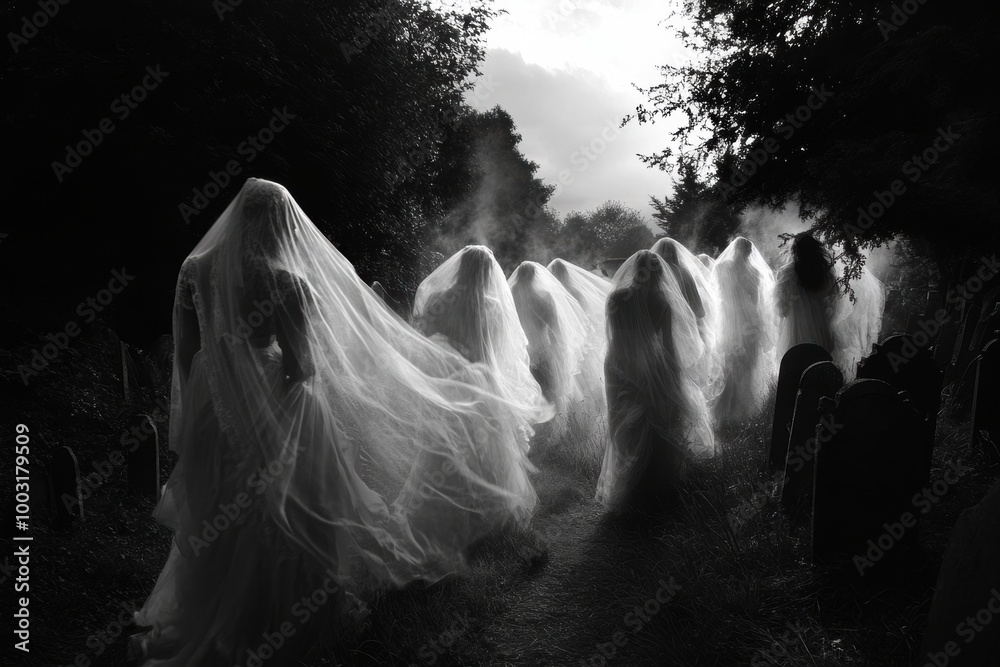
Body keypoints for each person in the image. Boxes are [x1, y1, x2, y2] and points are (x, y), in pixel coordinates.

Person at [132, 180, 540, 666]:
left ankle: (211, 616)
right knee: (292, 511)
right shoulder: (288, 284)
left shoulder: (196, 271)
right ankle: (282, 622)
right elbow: (300, 366)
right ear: (285, 225)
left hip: (211, 405)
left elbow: (185, 351)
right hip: (280, 406)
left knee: (220, 510)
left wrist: (201, 402)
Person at [596, 251, 714, 513]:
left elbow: (613, 336)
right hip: (652, 365)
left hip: (618, 365)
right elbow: (669, 347)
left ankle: (628, 487)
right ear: (659, 274)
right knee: (655, 421)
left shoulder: (617, 297)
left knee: (623, 421)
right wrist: (673, 379)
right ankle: (654, 486)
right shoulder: (661, 302)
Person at [508, 261, 589, 442]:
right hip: (543, 354)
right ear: (535, 277)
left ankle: (523, 436)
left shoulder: (509, 295)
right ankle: (546, 439)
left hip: (519, 355)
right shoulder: (544, 297)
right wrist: (560, 355)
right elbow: (555, 331)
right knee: (549, 394)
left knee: (522, 396)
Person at [713, 237, 778, 424]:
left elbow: (719, 293)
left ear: (734, 249)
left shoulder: (721, 268)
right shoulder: (755, 272)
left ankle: (726, 410)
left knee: (731, 364)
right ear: (750, 252)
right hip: (748, 321)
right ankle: (742, 411)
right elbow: (756, 302)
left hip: (730, 320)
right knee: (747, 366)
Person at [650, 237, 723, 404]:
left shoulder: (655, 275)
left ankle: (671, 405)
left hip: (661, 330)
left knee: (667, 371)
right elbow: (698, 309)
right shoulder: (682, 272)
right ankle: (684, 404)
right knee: (684, 370)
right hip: (682, 330)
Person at [547, 257, 611, 426]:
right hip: (583, 346)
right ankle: (591, 422)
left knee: (572, 386)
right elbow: (589, 321)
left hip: (564, 347)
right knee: (588, 385)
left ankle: (575, 423)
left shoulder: (554, 296)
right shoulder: (577, 292)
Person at [773, 232, 839, 359]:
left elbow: (780, 300)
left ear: (795, 250)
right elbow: (833, 294)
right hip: (820, 319)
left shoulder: (787, 272)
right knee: (820, 355)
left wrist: (788, 308)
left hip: (797, 321)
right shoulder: (825, 271)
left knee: (798, 357)